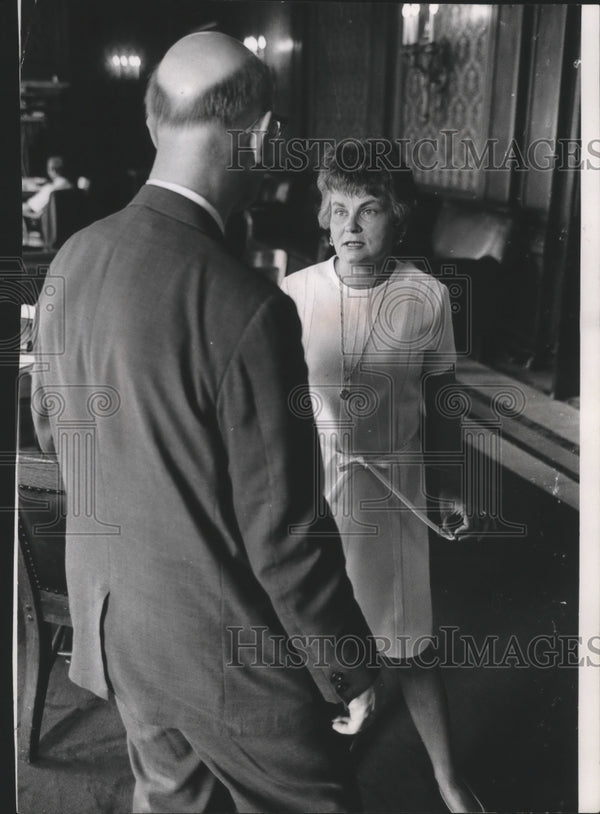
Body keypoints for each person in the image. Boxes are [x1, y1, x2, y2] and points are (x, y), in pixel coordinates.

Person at [31, 34, 380, 814]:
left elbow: (57, 436)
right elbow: (285, 536)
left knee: (171, 799)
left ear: (154, 122)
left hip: (117, 627)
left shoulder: (71, 259)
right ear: (261, 136)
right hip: (226, 661)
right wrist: (347, 667)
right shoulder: (246, 307)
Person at [281, 142, 485, 813]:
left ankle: (447, 779)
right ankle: (331, 750)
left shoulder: (426, 296)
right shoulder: (294, 293)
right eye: (338, 208)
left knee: (410, 642)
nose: (350, 225)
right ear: (323, 215)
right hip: (316, 487)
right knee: (318, 631)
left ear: (398, 216)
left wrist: (448, 487)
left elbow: (443, 397)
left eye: (368, 209)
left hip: (395, 487)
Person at [22, 155, 73, 219]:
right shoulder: (70, 186)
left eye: (48, 169)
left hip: (43, 220)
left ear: (53, 170)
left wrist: (32, 215)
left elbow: (26, 209)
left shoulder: (48, 190)